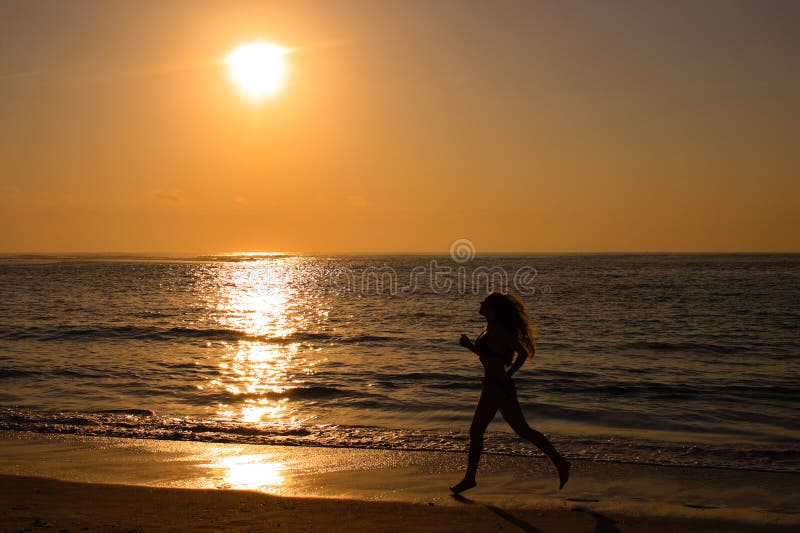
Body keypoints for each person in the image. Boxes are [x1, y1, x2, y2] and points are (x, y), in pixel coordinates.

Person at [450, 291, 570, 494]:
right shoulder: (490, 328)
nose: (481, 304)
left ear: (493, 309)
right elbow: (490, 356)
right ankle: (560, 462)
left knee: (476, 431)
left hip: (496, 386)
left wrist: (510, 373)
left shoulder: (500, 330)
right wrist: (470, 346)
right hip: (496, 384)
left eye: (485, 302)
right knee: (522, 430)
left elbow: (522, 352)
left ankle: (470, 478)